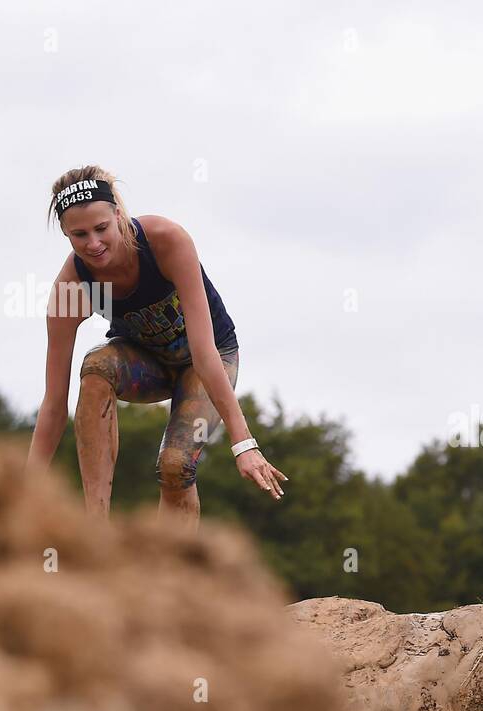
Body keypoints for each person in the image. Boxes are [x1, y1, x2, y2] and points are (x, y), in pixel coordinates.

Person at [25, 165, 287, 525]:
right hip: (147, 365)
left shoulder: (165, 242)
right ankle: (95, 530)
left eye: (101, 228)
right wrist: (21, 491)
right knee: (96, 367)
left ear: (118, 214)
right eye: (79, 235)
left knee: (176, 466)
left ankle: (174, 568)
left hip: (206, 361)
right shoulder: (74, 287)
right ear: (66, 235)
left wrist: (244, 444)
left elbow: (204, 352)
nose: (94, 244)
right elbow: (54, 403)